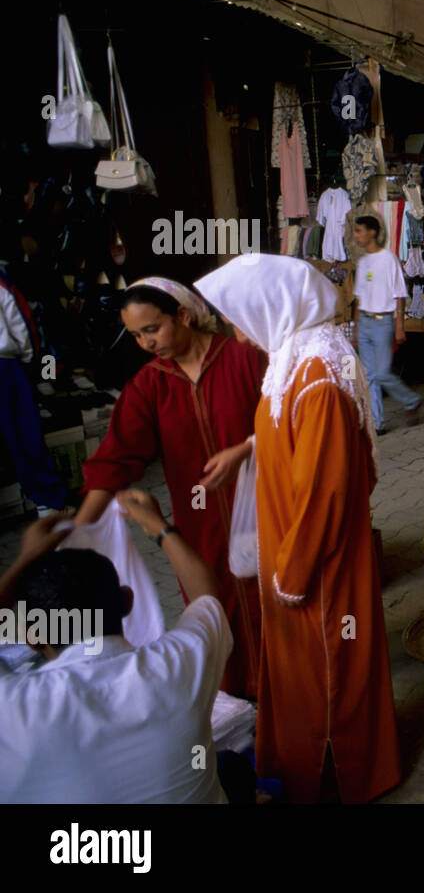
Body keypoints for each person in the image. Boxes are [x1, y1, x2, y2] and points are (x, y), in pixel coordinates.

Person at [196, 253, 401, 804]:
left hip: (316, 562)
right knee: (299, 673)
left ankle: (338, 775)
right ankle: (299, 768)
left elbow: (327, 490)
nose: (237, 335)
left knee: (328, 672)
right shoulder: (294, 362)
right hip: (293, 547)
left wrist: (293, 571)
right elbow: (290, 449)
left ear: (273, 308)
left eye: (239, 318)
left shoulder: (317, 381)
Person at [75, 278, 264, 699]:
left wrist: (245, 451)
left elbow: (285, 423)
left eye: (152, 329)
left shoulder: (244, 359)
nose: (146, 342)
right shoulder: (149, 385)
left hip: (261, 511)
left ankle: (291, 700)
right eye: (137, 335)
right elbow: (115, 459)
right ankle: (241, 701)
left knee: (274, 601)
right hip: (199, 526)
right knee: (214, 607)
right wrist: (78, 532)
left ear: (181, 314)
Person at [0, 494, 231, 803]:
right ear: (127, 602)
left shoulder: (13, 708)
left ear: (31, 638)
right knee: (228, 766)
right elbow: (207, 596)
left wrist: (24, 559)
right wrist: (157, 526)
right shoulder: (178, 665)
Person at [0, 266, 68, 512]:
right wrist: (30, 360)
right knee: (23, 433)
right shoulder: (2, 281)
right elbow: (21, 321)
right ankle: (48, 502)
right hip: (6, 365)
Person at [351, 214, 423, 436]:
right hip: (365, 321)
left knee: (381, 373)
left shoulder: (388, 259)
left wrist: (399, 325)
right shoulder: (363, 263)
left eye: (359, 230)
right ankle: (378, 422)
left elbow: (400, 295)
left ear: (372, 232)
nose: (356, 235)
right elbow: (359, 298)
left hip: (383, 322)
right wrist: (355, 327)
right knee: (369, 375)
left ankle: (411, 400)